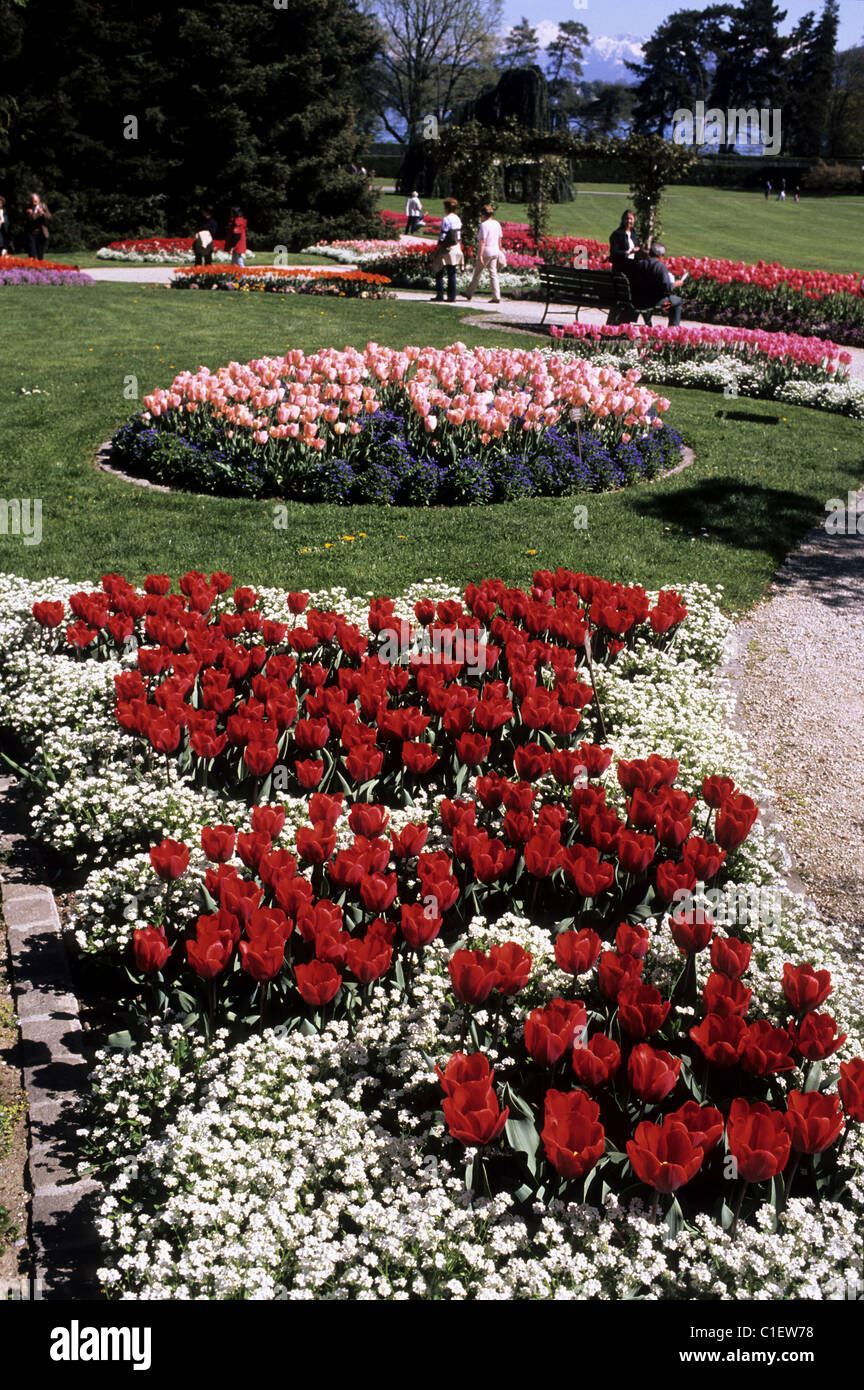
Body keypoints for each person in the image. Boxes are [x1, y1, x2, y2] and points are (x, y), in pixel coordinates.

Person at [624, 244, 686, 326]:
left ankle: (651, 320)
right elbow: (667, 288)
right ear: (660, 256)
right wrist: (675, 284)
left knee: (667, 301)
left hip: (637, 301)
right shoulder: (659, 266)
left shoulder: (640, 264)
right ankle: (673, 328)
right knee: (677, 302)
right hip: (654, 304)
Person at [462, 203, 503, 304]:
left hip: (486, 251)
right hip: (495, 250)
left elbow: (483, 241)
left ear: (484, 214)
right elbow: (499, 239)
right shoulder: (497, 224)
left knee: (478, 273)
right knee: (493, 273)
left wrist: (480, 255)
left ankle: (469, 293)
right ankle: (496, 296)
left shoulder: (484, 225)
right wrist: (500, 251)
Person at [430, 197, 463, 303]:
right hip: (456, 246)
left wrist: (437, 249)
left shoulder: (446, 219)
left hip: (446, 248)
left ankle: (440, 294)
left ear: (447, 208)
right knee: (451, 272)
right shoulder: (458, 218)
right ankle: (452, 296)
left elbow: (443, 236)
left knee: (439, 270)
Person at [24, 192, 51, 260]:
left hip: (41, 233)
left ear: (39, 201)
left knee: (40, 252)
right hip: (31, 232)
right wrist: (39, 214)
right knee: (32, 252)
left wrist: (43, 213)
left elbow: (49, 217)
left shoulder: (43, 206)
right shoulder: (28, 207)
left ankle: (40, 267)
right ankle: (31, 267)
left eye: (35, 201)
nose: (34, 203)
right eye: (32, 201)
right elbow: (32, 218)